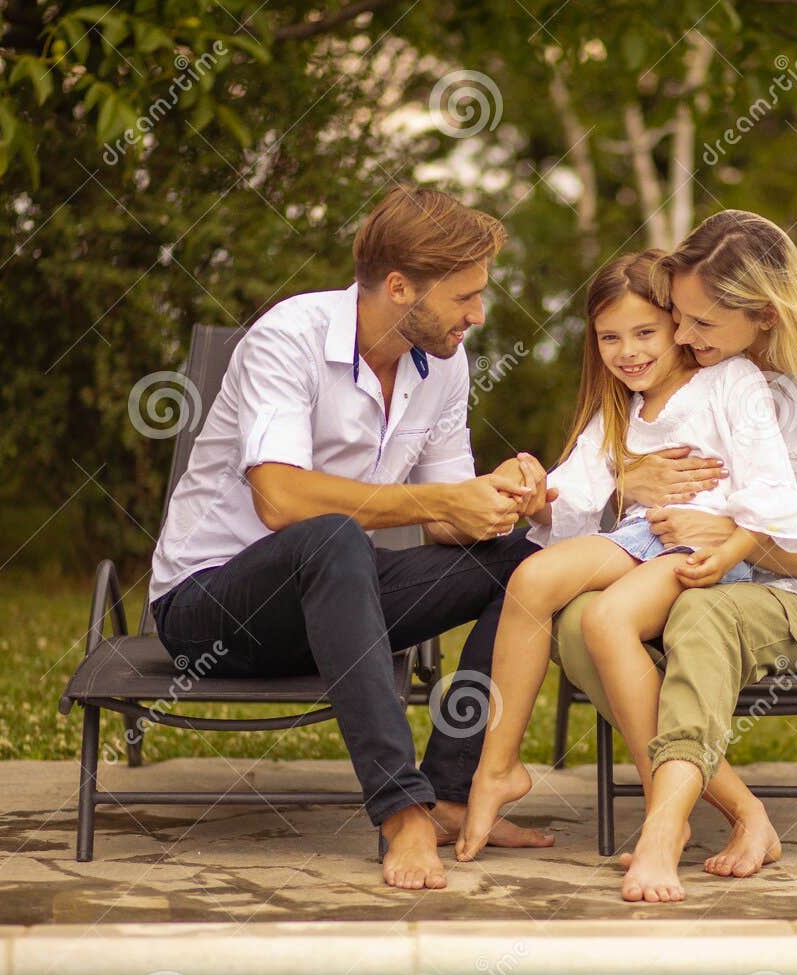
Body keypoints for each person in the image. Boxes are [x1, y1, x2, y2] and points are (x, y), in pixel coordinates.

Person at [146, 186, 557, 892]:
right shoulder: (288, 337)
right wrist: (436, 499)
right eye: (464, 297)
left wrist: (505, 493)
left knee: (524, 564)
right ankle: (402, 812)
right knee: (330, 536)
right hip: (212, 606)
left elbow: (442, 519)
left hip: (344, 599)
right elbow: (279, 497)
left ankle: (452, 793)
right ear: (400, 288)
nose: (478, 315)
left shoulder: (444, 365)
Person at [553, 210, 797, 902]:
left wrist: (732, 536)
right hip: (683, 573)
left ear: (765, 314)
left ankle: (661, 828)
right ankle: (744, 811)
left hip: (794, 597)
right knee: (577, 619)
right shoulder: (695, 377)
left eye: (701, 324)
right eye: (677, 316)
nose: (680, 335)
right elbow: (629, 484)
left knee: (701, 620)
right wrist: (633, 481)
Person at [455, 250, 797, 862]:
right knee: (530, 579)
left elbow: (770, 485)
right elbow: (569, 490)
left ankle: (665, 810)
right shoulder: (621, 408)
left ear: (676, 325)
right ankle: (498, 769)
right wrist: (529, 489)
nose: (628, 351)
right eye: (609, 337)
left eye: (646, 332)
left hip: (709, 547)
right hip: (639, 539)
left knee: (607, 618)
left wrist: (728, 529)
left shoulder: (730, 382)